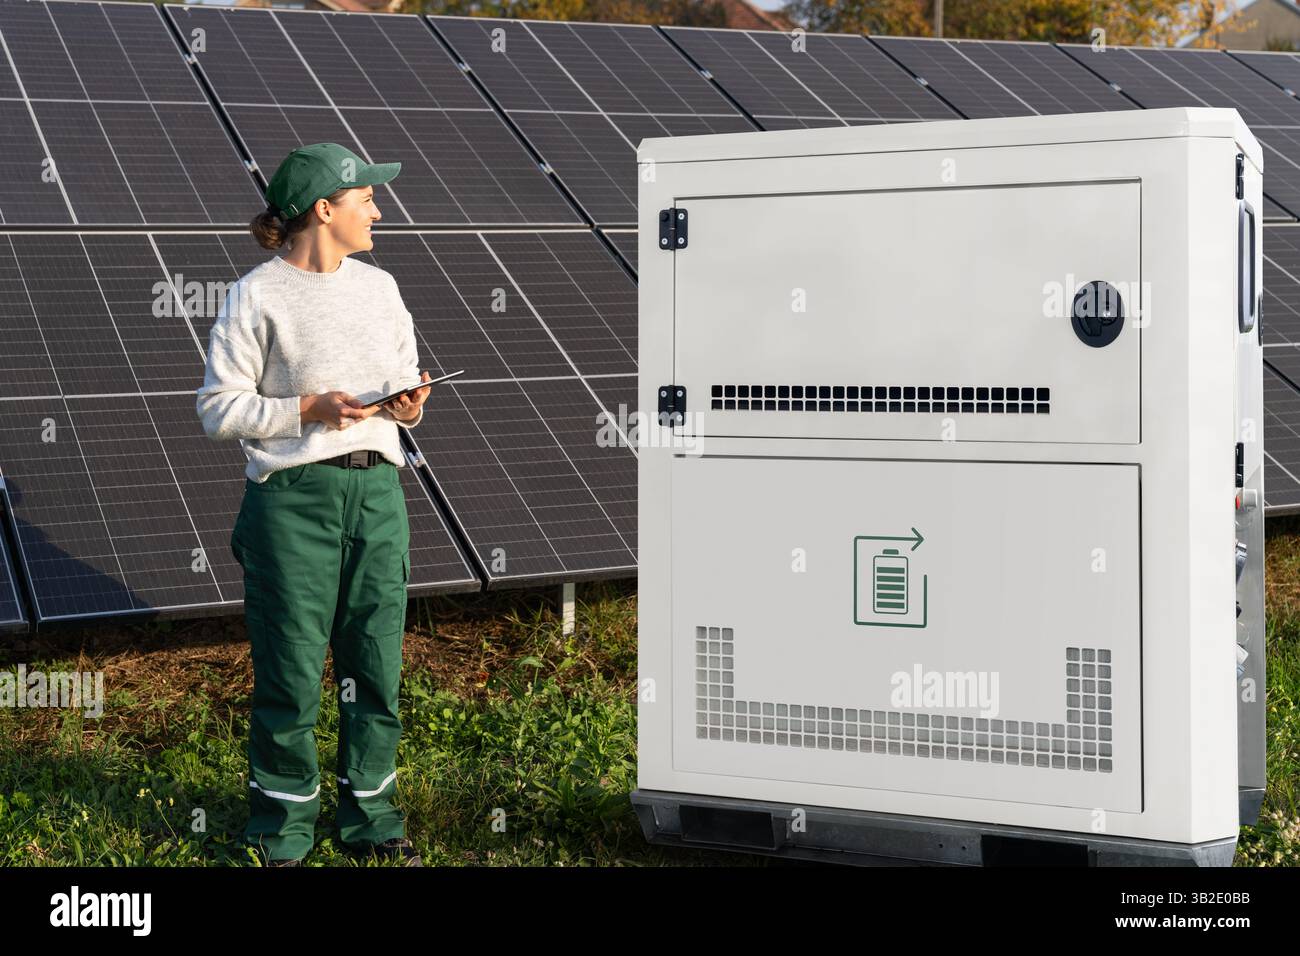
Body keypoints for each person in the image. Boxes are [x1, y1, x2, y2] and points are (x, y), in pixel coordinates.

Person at [196, 142, 433, 867]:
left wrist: (408, 405)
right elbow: (218, 408)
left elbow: (397, 387)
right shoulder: (256, 294)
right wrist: (307, 408)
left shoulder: (381, 287)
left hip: (379, 494)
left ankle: (373, 821)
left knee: (375, 665)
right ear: (325, 209)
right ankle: (280, 831)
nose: (379, 210)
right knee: (292, 671)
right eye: (367, 199)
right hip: (293, 503)